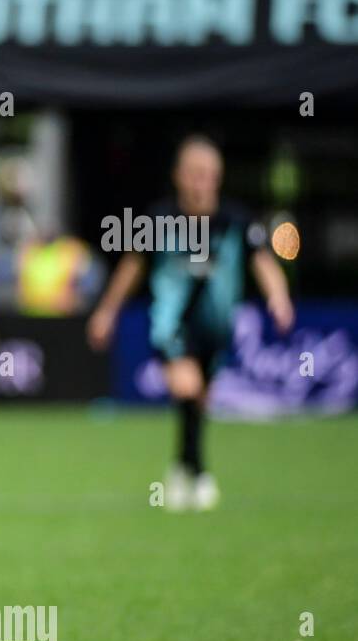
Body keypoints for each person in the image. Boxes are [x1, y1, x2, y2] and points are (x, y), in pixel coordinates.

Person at [87, 135, 295, 510]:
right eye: (194, 174)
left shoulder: (237, 221)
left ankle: (181, 467)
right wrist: (107, 311)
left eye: (209, 175)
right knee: (187, 388)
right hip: (169, 325)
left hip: (215, 329)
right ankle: (200, 475)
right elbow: (133, 267)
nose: (201, 183)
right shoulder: (158, 220)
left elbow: (264, 263)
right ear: (179, 177)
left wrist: (278, 298)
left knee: (199, 399)